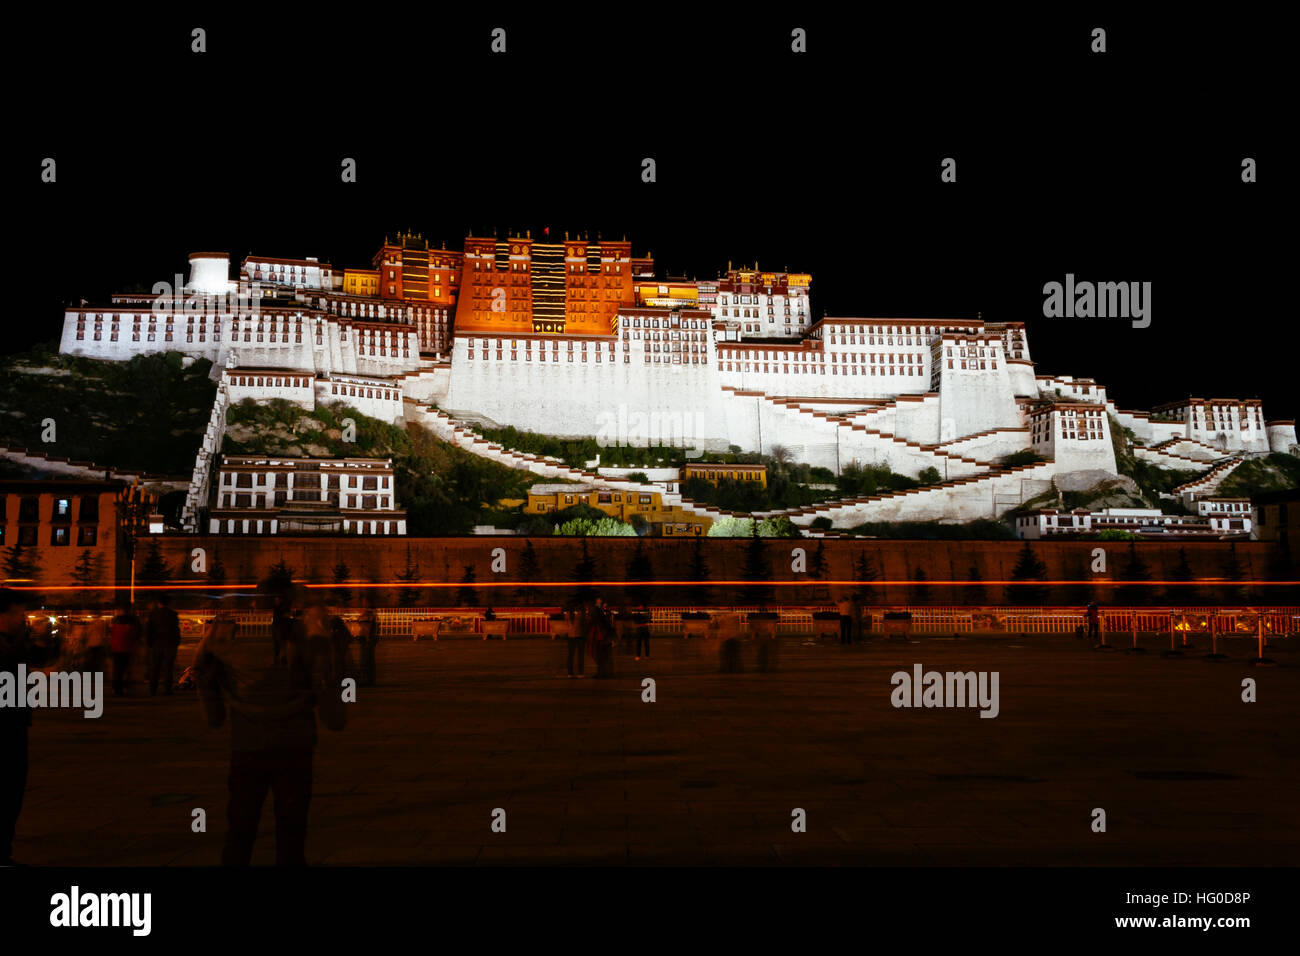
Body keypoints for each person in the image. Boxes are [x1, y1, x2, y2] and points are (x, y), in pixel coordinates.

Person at [194, 604, 346, 866]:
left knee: (241, 829)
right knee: (292, 830)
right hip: (294, 746)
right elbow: (333, 713)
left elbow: (210, 698)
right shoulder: (312, 643)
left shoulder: (229, 645)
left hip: (247, 747)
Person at [1, 588, 54, 866]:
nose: (22, 619)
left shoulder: (12, 641)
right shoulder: (4, 646)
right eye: (18, 614)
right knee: (8, 791)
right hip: (6, 727)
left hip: (14, 722)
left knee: (11, 793)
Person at [146, 593, 182, 695]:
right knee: (168, 667)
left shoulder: (153, 614)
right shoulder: (173, 614)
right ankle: (167, 689)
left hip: (157, 643)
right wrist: (176, 642)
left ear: (158, 603)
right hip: (170, 644)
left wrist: (150, 642)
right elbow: (176, 630)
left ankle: (153, 689)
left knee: (155, 667)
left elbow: (149, 630)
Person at [108, 603, 142, 696]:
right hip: (127, 648)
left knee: (117, 670)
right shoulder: (132, 621)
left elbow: (111, 634)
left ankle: (116, 688)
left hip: (116, 648)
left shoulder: (114, 621)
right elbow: (135, 634)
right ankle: (125, 688)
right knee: (125, 669)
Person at [356, 604, 378, 687]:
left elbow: (366, 628)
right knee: (369, 659)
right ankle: (369, 678)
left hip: (366, 639)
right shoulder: (371, 615)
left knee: (365, 659)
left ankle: (366, 679)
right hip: (368, 639)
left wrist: (367, 638)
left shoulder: (367, 616)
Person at [565, 600, 586, 678]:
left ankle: (570, 673)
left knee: (571, 655)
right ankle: (580, 673)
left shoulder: (568, 615)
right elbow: (584, 624)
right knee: (580, 655)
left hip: (571, 636)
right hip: (579, 636)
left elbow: (567, 624)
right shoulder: (581, 614)